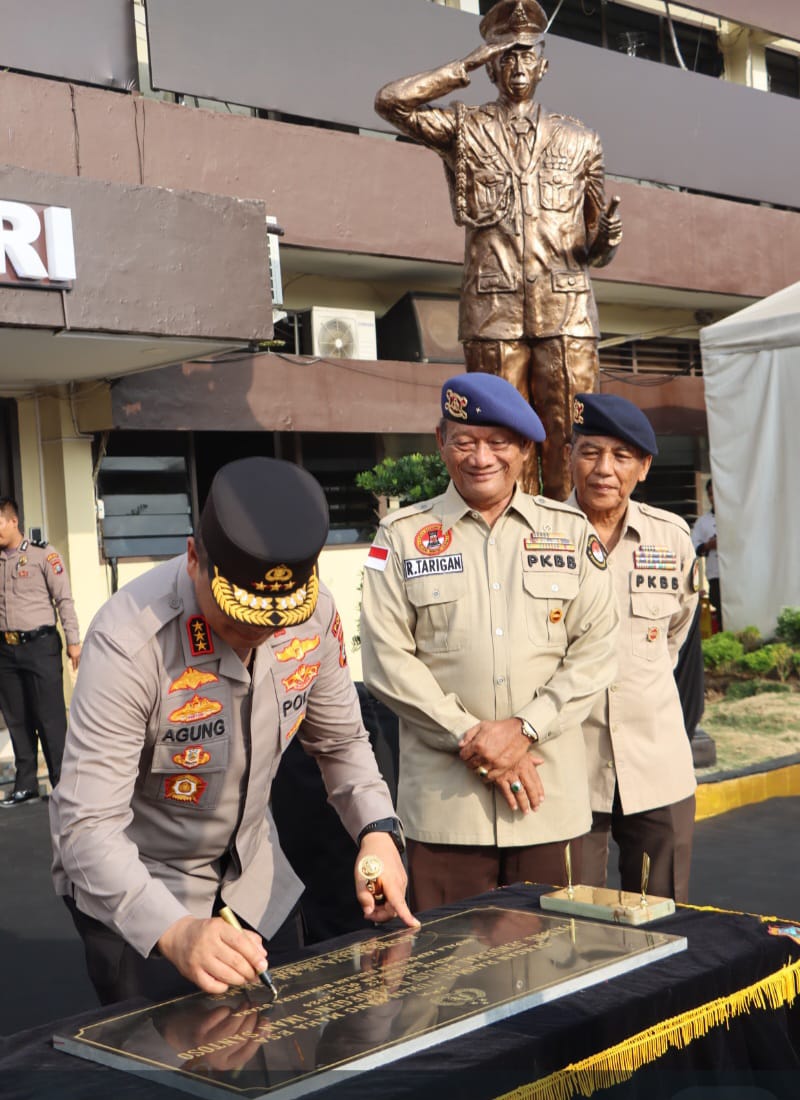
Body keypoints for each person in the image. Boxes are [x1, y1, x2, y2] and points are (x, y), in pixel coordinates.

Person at [50, 457, 417, 1006]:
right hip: (144, 894)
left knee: (285, 1054)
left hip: (257, 880)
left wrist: (378, 832)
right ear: (195, 557)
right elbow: (86, 827)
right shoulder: (130, 640)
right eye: (237, 619)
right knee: (172, 1071)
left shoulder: (314, 614)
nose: (259, 638)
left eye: (278, 623)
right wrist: (174, 931)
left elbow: (340, 742)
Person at [360, 372, 619, 912]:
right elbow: (386, 660)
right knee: (451, 980)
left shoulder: (570, 532)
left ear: (524, 450)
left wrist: (524, 729)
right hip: (446, 815)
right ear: (440, 442)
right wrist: (477, 740)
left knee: (558, 969)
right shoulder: (401, 536)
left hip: (550, 809)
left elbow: (596, 650)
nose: (481, 457)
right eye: (464, 441)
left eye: (499, 443)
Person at [375, 0, 622, 500]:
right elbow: (392, 102)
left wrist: (606, 238)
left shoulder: (580, 141)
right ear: (491, 65)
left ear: (544, 64)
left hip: (567, 308)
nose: (516, 67)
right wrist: (463, 64)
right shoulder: (465, 130)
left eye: (526, 56)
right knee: (502, 436)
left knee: (571, 436)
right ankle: (515, 543)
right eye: (505, 57)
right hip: (495, 310)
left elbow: (594, 250)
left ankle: (569, 539)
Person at [567, 394, 698, 901]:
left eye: (622, 456)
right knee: (571, 926)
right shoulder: (537, 539)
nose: (604, 469)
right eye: (590, 451)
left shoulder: (672, 539)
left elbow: (674, 636)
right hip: (570, 770)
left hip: (657, 765)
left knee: (661, 915)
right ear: (570, 456)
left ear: (643, 467)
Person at [0, 497, 81, 807]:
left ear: (12, 522)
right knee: (17, 718)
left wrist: (73, 640)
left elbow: (64, 600)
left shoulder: (42, 555)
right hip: (5, 650)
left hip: (40, 646)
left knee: (49, 717)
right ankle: (26, 785)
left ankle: (62, 784)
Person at [691, 478, 722, 629]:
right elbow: (694, 546)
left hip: (738, 573)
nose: (712, 498)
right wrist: (709, 545)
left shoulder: (737, 516)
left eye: (715, 493)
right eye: (710, 494)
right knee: (719, 607)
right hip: (715, 573)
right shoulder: (702, 522)